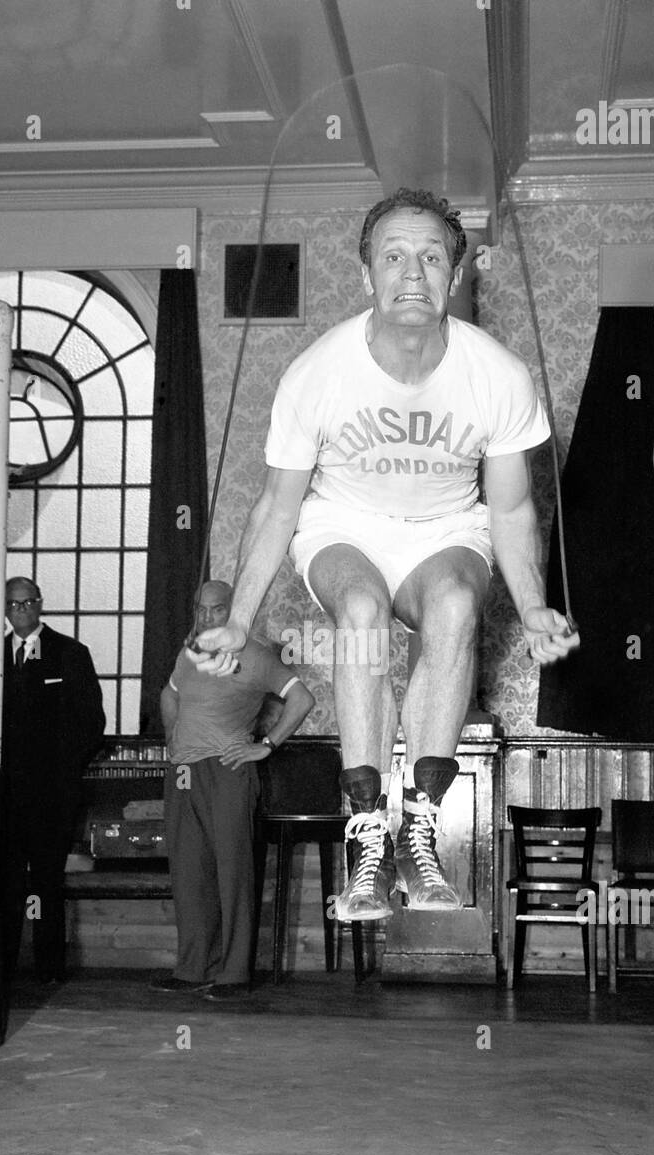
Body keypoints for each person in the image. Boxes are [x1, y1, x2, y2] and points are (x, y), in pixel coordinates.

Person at [190, 187, 579, 922]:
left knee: (458, 605)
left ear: (455, 277)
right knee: (363, 610)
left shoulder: (498, 376)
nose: (411, 273)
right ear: (366, 274)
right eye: (393, 256)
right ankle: (367, 835)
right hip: (344, 524)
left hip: (445, 529)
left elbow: (511, 507)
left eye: (432, 257)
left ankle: (419, 829)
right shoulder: (316, 374)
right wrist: (239, 622)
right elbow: (277, 505)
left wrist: (532, 610)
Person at [154, 580, 314, 1000]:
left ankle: (234, 973)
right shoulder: (190, 654)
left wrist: (265, 746)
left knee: (233, 873)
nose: (207, 618)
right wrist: (172, 732)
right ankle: (192, 968)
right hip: (183, 772)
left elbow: (301, 699)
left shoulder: (255, 655)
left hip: (227, 769)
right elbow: (168, 696)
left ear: (235, 610)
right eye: (201, 609)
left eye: (217, 610)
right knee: (189, 874)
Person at [0, 576, 106, 984]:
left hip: (52, 792)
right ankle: (3, 967)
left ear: (40, 604)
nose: (21, 610)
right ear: (5, 610)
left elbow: (92, 723)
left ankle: (48, 971)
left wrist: (61, 770)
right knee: (6, 880)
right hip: (6, 790)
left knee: (47, 880)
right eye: (13, 604)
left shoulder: (70, 653)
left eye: (28, 602)